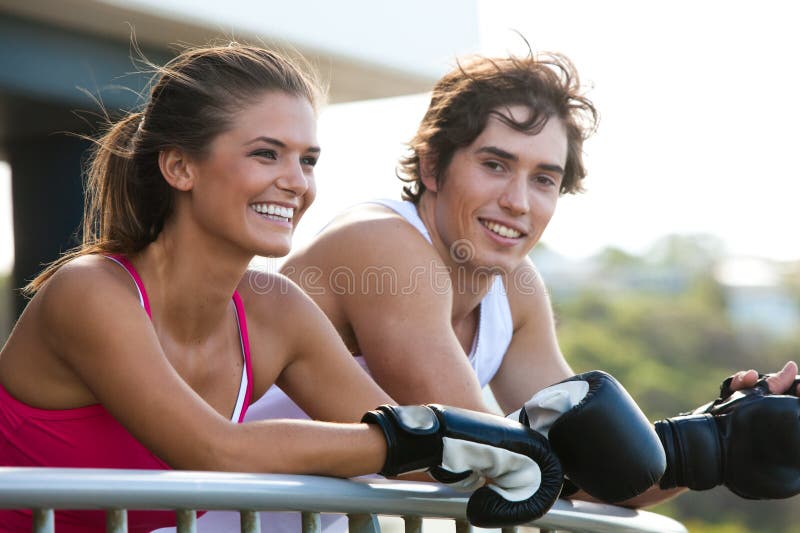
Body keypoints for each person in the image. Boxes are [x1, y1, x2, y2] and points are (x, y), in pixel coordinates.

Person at [0, 44, 568, 533]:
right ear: (179, 167)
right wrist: (427, 439)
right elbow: (213, 450)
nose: (296, 182)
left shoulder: (276, 310)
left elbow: (407, 448)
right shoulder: (91, 292)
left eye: (308, 160)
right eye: (265, 153)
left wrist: (506, 452)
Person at [269, 49, 800, 506]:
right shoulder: (382, 246)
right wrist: (686, 444)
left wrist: (719, 436)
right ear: (432, 167)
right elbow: (499, 460)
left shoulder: (516, 290)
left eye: (543, 179)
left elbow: (591, 471)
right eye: (495, 165)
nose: (517, 202)